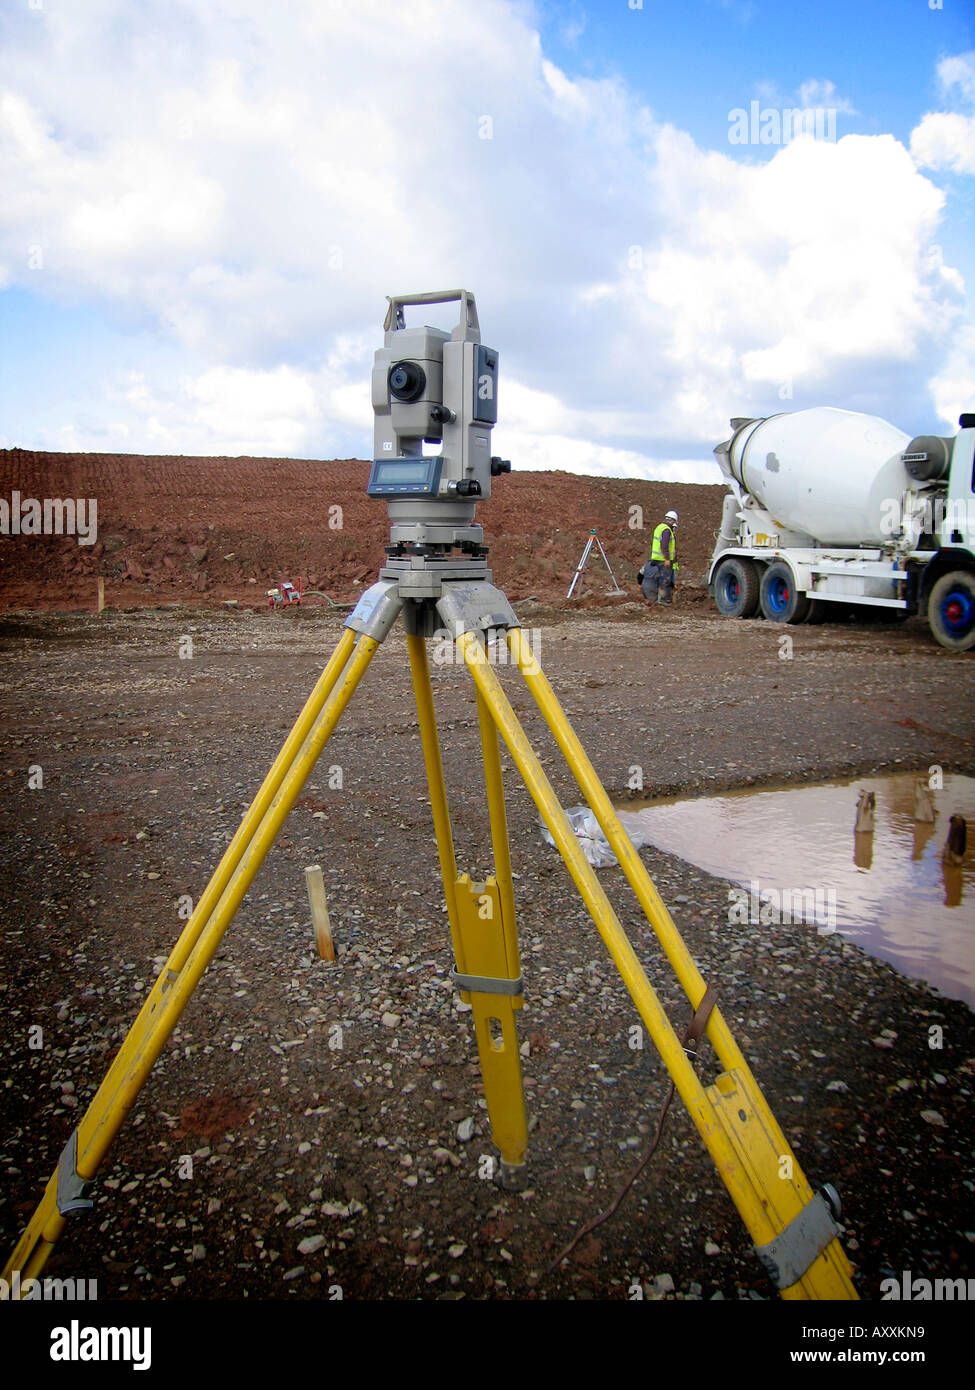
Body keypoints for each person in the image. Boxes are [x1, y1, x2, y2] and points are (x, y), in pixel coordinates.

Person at [639, 510, 679, 605]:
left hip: (656, 557)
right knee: (665, 580)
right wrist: (667, 558)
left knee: (659, 577)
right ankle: (663, 600)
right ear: (673, 521)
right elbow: (664, 545)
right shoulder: (666, 530)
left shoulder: (659, 527)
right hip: (662, 559)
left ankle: (655, 598)